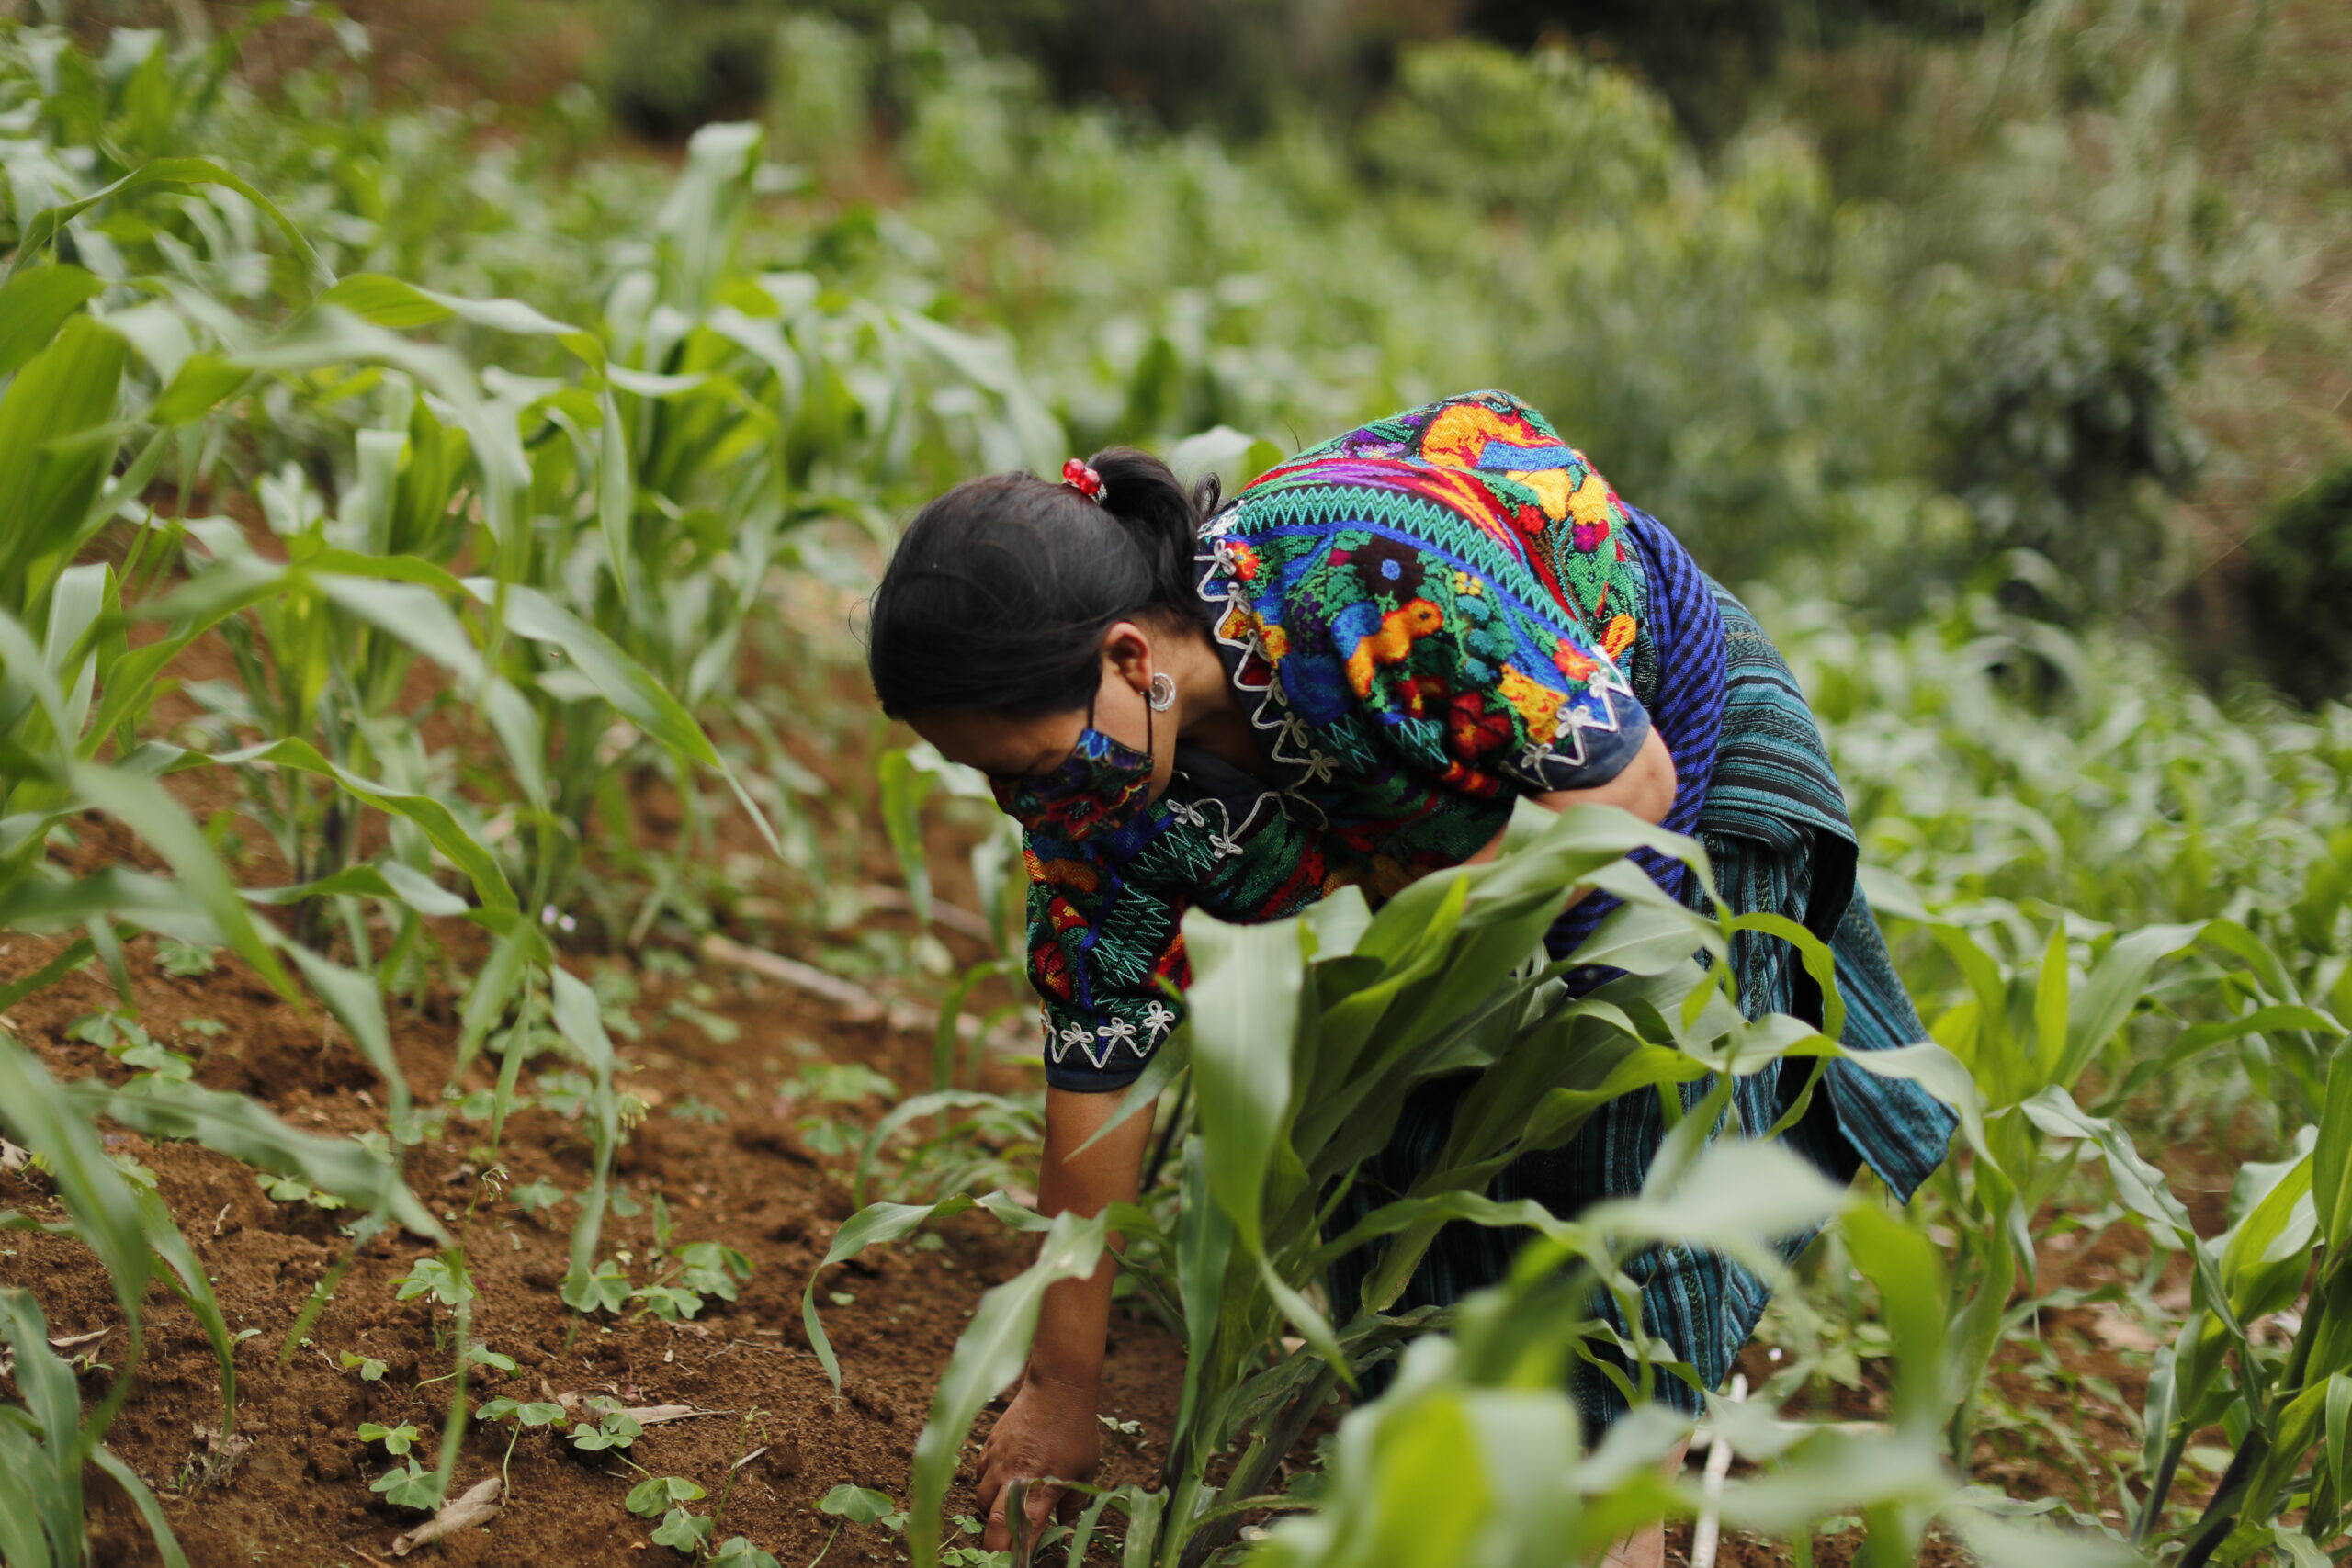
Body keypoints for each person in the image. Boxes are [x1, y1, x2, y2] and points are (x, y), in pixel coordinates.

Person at [864, 391, 1956, 1565]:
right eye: (987, 777)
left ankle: (1624, 1510)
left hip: (1666, 761)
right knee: (1402, 1180)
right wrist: (1058, 1389)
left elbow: (1622, 792)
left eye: (1027, 767)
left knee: (1622, 1159)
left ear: (1129, 658)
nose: (1019, 805)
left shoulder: (1366, 580)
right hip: (1465, 873)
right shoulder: (1104, 803)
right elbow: (1097, 1062)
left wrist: (1419, 972)